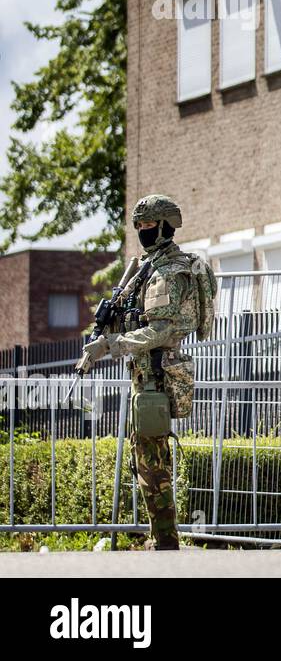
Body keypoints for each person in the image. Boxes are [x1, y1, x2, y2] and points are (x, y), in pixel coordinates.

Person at [80, 194, 214, 551]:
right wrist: (107, 335)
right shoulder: (146, 269)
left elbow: (162, 331)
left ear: (167, 226)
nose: (142, 231)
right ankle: (161, 538)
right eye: (138, 226)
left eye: (148, 226)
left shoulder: (169, 272)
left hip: (156, 377)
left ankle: (167, 543)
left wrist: (110, 345)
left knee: (153, 469)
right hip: (143, 376)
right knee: (145, 465)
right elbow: (136, 321)